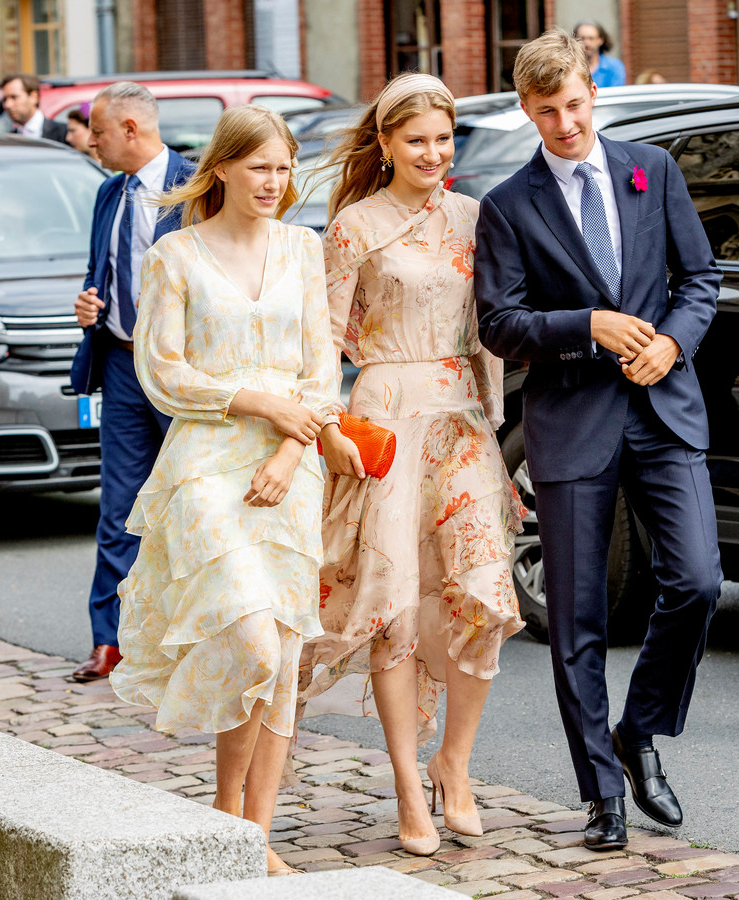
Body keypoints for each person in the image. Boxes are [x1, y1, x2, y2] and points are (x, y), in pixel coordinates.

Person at [474, 30, 722, 850]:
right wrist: (589, 326)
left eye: (575, 105)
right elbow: (501, 324)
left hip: (664, 411)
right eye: (547, 112)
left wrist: (672, 343)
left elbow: (701, 282)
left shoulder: (654, 172)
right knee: (576, 624)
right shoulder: (509, 205)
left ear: (593, 95)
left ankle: (638, 727)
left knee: (696, 581)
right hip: (572, 426)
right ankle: (602, 792)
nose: (566, 124)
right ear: (527, 110)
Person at [297, 73, 525, 857]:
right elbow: (322, 345)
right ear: (386, 144)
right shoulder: (354, 227)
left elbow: (492, 328)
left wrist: (494, 433)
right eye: (417, 139)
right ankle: (405, 783)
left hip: (461, 422)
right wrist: (327, 433)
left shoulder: (474, 217)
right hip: (387, 416)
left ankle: (452, 765)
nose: (434, 152)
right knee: (393, 606)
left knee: (484, 595)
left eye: (443, 137)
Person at [108, 104, 337, 878]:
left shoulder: (304, 249)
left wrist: (290, 442)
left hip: (291, 465)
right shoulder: (174, 255)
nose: (273, 182)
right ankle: (221, 804)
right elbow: (162, 371)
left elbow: (322, 373)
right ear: (224, 168)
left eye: (283, 167)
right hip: (206, 462)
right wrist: (254, 402)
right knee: (251, 636)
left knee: (284, 652)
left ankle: (252, 831)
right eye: (258, 166)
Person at [68, 82, 195, 682]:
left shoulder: (197, 185)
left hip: (183, 371)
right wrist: (89, 306)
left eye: (96, 130)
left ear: (128, 129)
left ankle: (193, 635)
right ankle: (109, 641)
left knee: (192, 501)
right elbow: (104, 267)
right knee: (119, 504)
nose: (89, 141)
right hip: (120, 364)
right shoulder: (107, 193)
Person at [1, 73, 68, 143]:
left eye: (14, 97)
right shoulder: (8, 139)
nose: (7, 105)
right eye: (5, 99)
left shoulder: (64, 133)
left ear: (34, 97)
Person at [574, 21, 626, 89]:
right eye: (582, 38)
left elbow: (616, 95)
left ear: (600, 40)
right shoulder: (569, 68)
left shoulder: (614, 66)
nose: (587, 43)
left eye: (591, 38)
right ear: (574, 40)